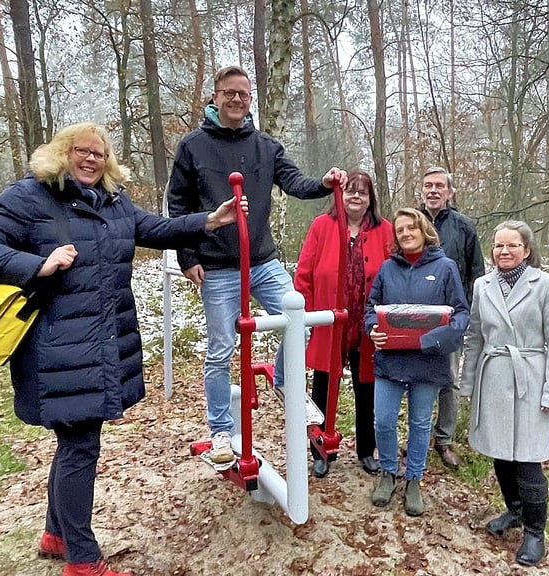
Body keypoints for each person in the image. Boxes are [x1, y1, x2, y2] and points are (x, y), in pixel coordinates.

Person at [0, 123, 244, 576]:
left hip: (100, 346)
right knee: (80, 447)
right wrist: (38, 264)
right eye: (81, 151)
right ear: (61, 154)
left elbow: (156, 227)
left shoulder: (114, 202)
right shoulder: (29, 197)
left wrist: (209, 220)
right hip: (57, 351)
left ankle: (56, 536)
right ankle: (83, 560)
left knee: (74, 444)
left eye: (99, 153)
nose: (91, 159)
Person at [166, 65, 346, 464]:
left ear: (250, 100)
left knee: (297, 318)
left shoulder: (266, 146)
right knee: (220, 349)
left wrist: (325, 183)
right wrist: (188, 256)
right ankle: (219, 430)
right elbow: (177, 206)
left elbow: (296, 183)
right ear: (214, 97)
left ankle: (285, 384)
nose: (235, 100)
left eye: (242, 94)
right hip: (216, 264)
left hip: (262, 260)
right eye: (228, 93)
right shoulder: (193, 146)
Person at [459, 220, 549, 567]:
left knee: (528, 458)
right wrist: (468, 382)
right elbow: (475, 336)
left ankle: (535, 533)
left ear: (527, 250)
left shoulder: (547, 286)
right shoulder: (482, 285)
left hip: (530, 379)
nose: (504, 252)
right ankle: (514, 511)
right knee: (500, 452)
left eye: (512, 246)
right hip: (493, 376)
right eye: (498, 246)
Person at [364, 208, 469, 516]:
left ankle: (413, 478)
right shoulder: (387, 268)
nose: (406, 233)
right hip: (390, 359)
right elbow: (371, 307)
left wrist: (437, 338)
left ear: (424, 230)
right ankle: (387, 472)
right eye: (400, 230)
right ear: (395, 237)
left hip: (428, 361)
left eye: (412, 227)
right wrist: (372, 329)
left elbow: (461, 313)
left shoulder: (445, 267)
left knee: (420, 423)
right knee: (382, 419)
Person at [294, 171, 394, 478]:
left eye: (362, 193)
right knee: (324, 386)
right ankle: (321, 449)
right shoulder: (322, 227)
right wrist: (309, 314)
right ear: (339, 194)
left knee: (367, 388)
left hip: (366, 323)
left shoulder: (384, 229)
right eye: (350, 190)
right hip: (329, 320)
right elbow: (305, 272)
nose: (355, 197)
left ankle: (366, 449)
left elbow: (394, 272)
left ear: (370, 199)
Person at [419, 166, 485, 469]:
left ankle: (443, 439)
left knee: (449, 380)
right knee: (415, 378)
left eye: (439, 186)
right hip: (416, 316)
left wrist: (468, 314)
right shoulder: (410, 223)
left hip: (452, 318)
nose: (433, 191)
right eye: (428, 185)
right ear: (421, 191)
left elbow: (477, 275)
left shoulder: (464, 227)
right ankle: (415, 436)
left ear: (450, 193)